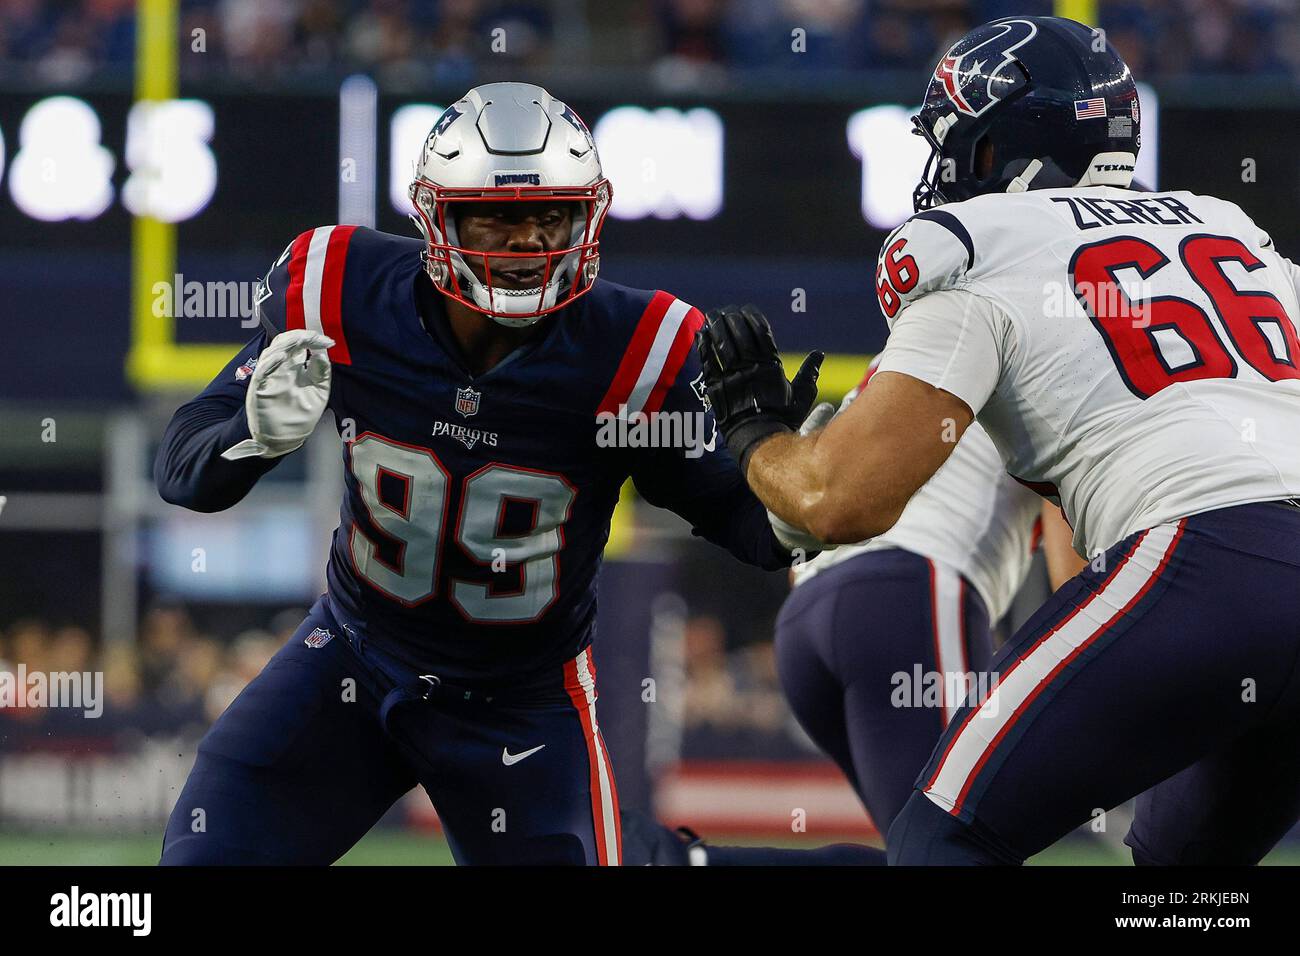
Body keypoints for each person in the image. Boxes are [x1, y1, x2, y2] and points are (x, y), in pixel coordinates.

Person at [155, 82, 808, 866]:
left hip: (523, 704)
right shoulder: (341, 290)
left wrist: (782, 476)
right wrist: (250, 438)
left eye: (550, 216)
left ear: (588, 218)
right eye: (495, 214)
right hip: (352, 657)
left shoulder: (638, 352)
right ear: (437, 215)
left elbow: (751, 530)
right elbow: (183, 469)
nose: (527, 240)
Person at [697, 16, 1300, 865]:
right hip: (1242, 559)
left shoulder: (984, 248)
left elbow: (839, 501)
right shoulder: (1232, 230)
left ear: (997, 148)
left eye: (955, 143)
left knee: (943, 840)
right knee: (1182, 875)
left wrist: (754, 431)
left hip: (1199, 560)